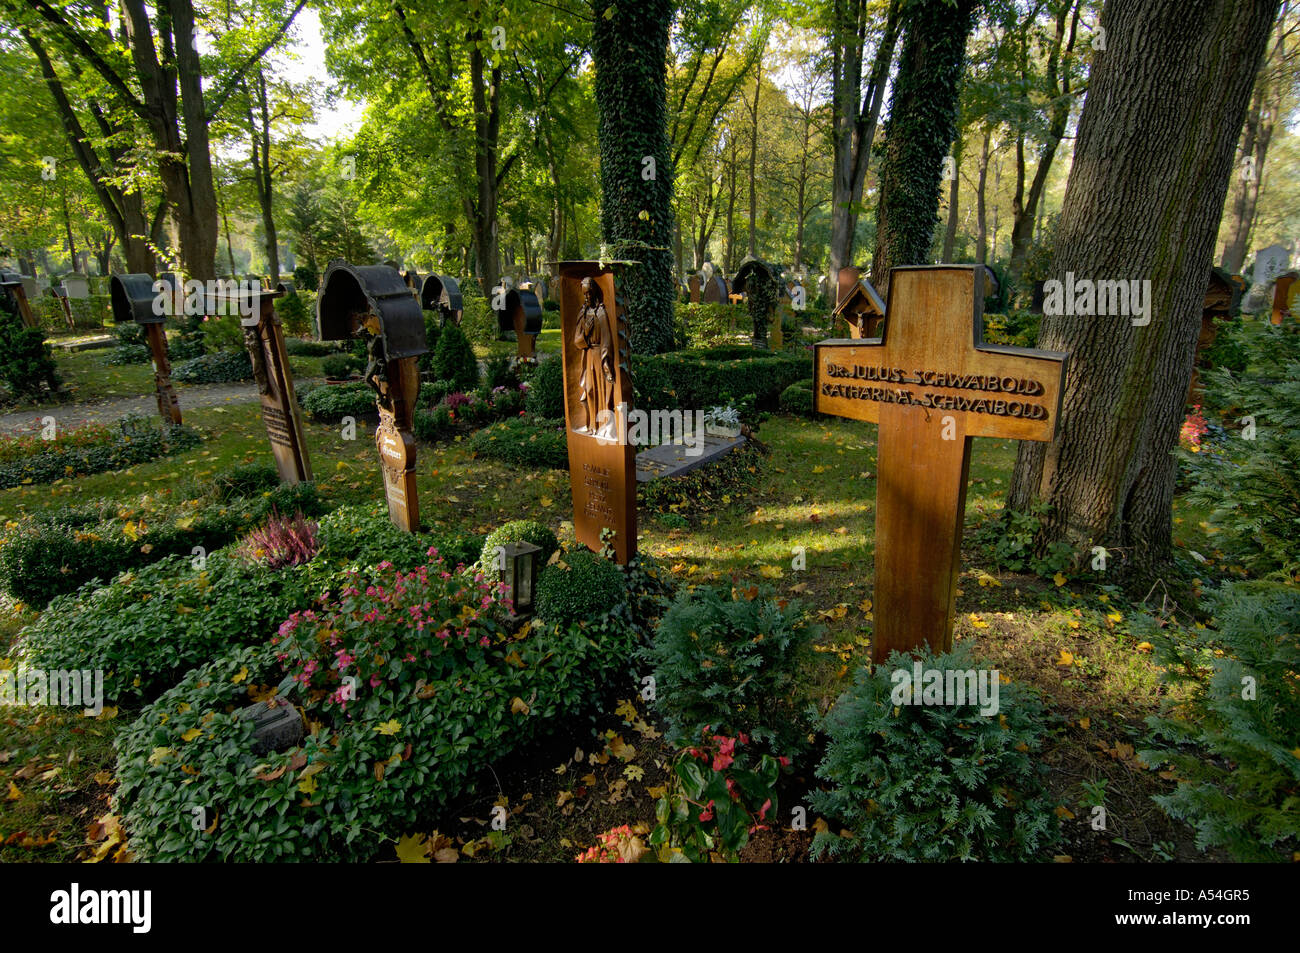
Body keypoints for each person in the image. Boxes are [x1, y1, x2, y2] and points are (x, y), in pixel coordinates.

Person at [574, 277, 616, 438]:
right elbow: (576, 341)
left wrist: (606, 361)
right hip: (589, 355)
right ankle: (592, 424)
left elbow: (606, 338)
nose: (587, 297)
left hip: (600, 355)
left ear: (594, 293)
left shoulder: (601, 312)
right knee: (590, 391)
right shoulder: (583, 312)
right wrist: (585, 331)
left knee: (603, 391)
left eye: (589, 294)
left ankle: (604, 425)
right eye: (584, 294)